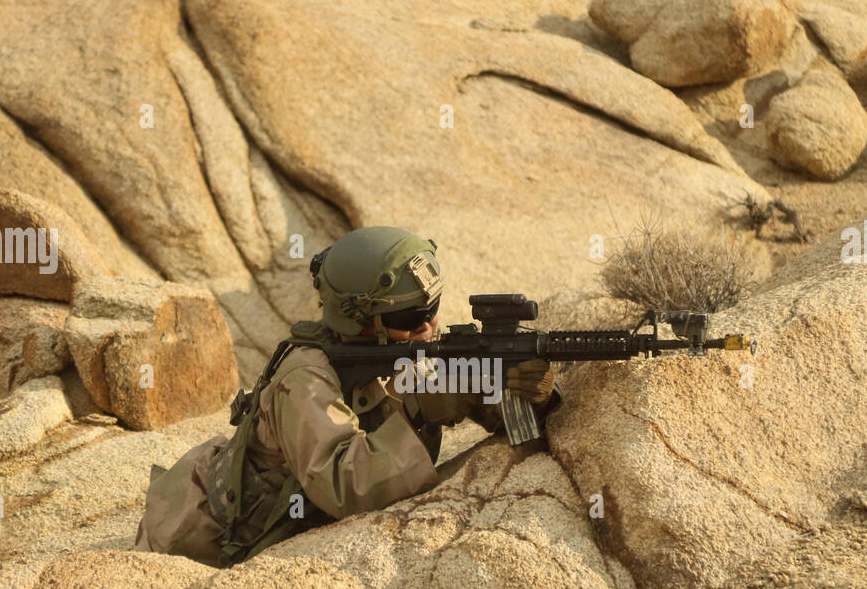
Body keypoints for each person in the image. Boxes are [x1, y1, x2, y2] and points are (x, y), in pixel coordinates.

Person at [134, 225, 558, 566]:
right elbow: (344, 484)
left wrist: (521, 390)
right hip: (204, 536)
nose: (426, 326)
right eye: (409, 316)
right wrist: (418, 409)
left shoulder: (399, 348)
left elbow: (465, 391)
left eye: (432, 307)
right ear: (361, 321)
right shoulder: (305, 377)